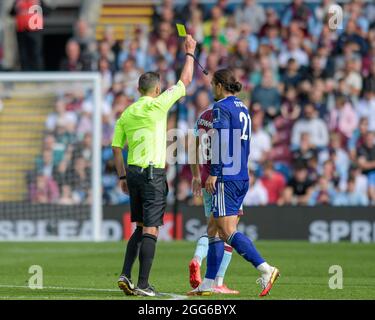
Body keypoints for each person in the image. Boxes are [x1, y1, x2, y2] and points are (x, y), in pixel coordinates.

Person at [111, 35, 197, 297]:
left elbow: (116, 148)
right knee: (151, 229)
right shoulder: (159, 105)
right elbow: (185, 81)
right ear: (156, 90)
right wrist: (190, 52)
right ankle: (143, 284)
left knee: (138, 226)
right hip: (151, 173)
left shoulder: (126, 113)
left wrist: (122, 177)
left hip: (133, 172)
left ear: (139, 90)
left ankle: (125, 274)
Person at [189, 69, 279, 296]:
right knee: (218, 230)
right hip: (241, 175)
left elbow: (220, 142)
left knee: (226, 231)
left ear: (219, 86)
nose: (211, 89)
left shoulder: (220, 107)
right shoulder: (243, 108)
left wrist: (214, 173)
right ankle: (209, 282)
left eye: (212, 85)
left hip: (225, 177)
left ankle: (266, 269)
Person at [188, 103, 239, 295]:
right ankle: (218, 281)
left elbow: (193, 150)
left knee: (212, 228)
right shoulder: (230, 116)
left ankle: (197, 258)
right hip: (226, 179)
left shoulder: (203, 116)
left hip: (206, 176)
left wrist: (195, 176)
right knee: (228, 230)